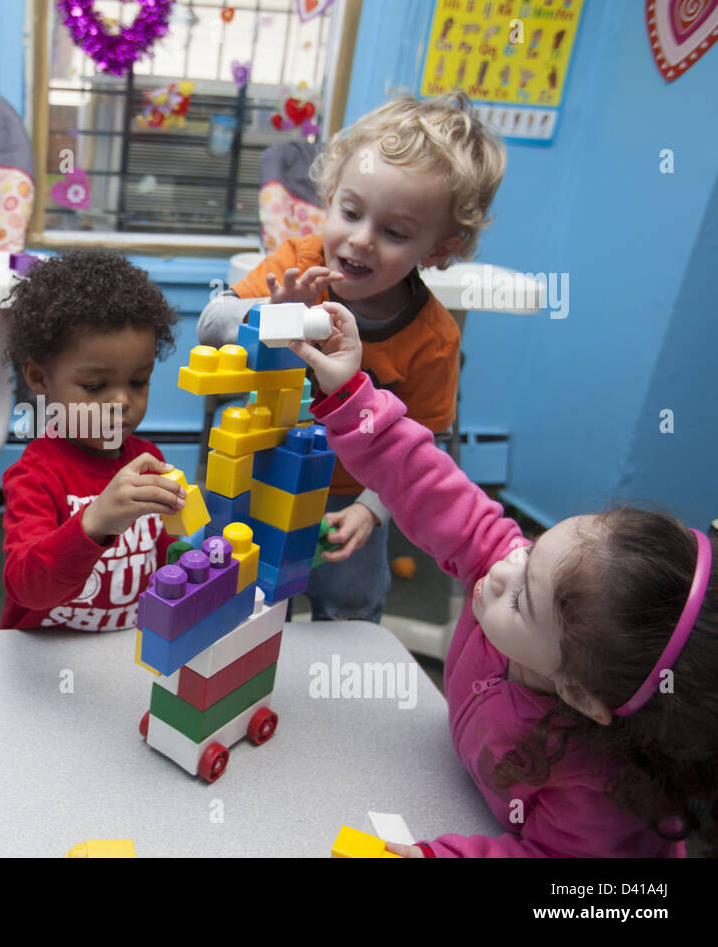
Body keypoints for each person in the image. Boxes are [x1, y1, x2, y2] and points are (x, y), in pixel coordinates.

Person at [293, 300, 716, 856]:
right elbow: (426, 484)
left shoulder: (600, 796)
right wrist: (352, 395)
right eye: (533, 547)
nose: (498, 570)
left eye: (520, 600)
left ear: (575, 692)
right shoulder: (513, 569)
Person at [199, 91, 506, 622]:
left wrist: (372, 507)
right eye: (350, 211)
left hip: (345, 502)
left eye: (394, 232)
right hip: (259, 475)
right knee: (237, 596)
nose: (360, 240)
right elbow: (210, 326)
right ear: (330, 195)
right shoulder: (296, 263)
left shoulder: (434, 338)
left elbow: (421, 445)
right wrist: (270, 314)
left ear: (436, 250)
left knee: (350, 608)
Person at [2, 250, 185, 630]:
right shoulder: (35, 475)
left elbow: (168, 559)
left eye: (138, 381)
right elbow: (27, 588)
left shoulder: (149, 458)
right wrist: (95, 521)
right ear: (39, 379)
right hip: (46, 656)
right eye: (95, 386)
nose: (121, 402)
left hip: (124, 653)